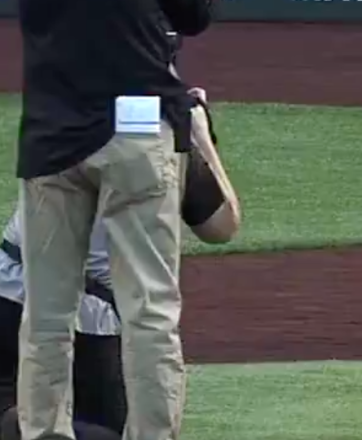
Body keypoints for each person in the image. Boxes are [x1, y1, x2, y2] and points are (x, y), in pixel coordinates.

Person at [0, 0, 218, 440]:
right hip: (136, 136)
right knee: (150, 310)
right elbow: (197, 13)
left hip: (50, 141)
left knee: (45, 313)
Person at [0, 88, 242, 440]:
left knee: (23, 417)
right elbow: (222, 227)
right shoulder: (156, 134)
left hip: (9, 288)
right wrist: (199, 135)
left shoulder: (61, 107)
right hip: (86, 319)